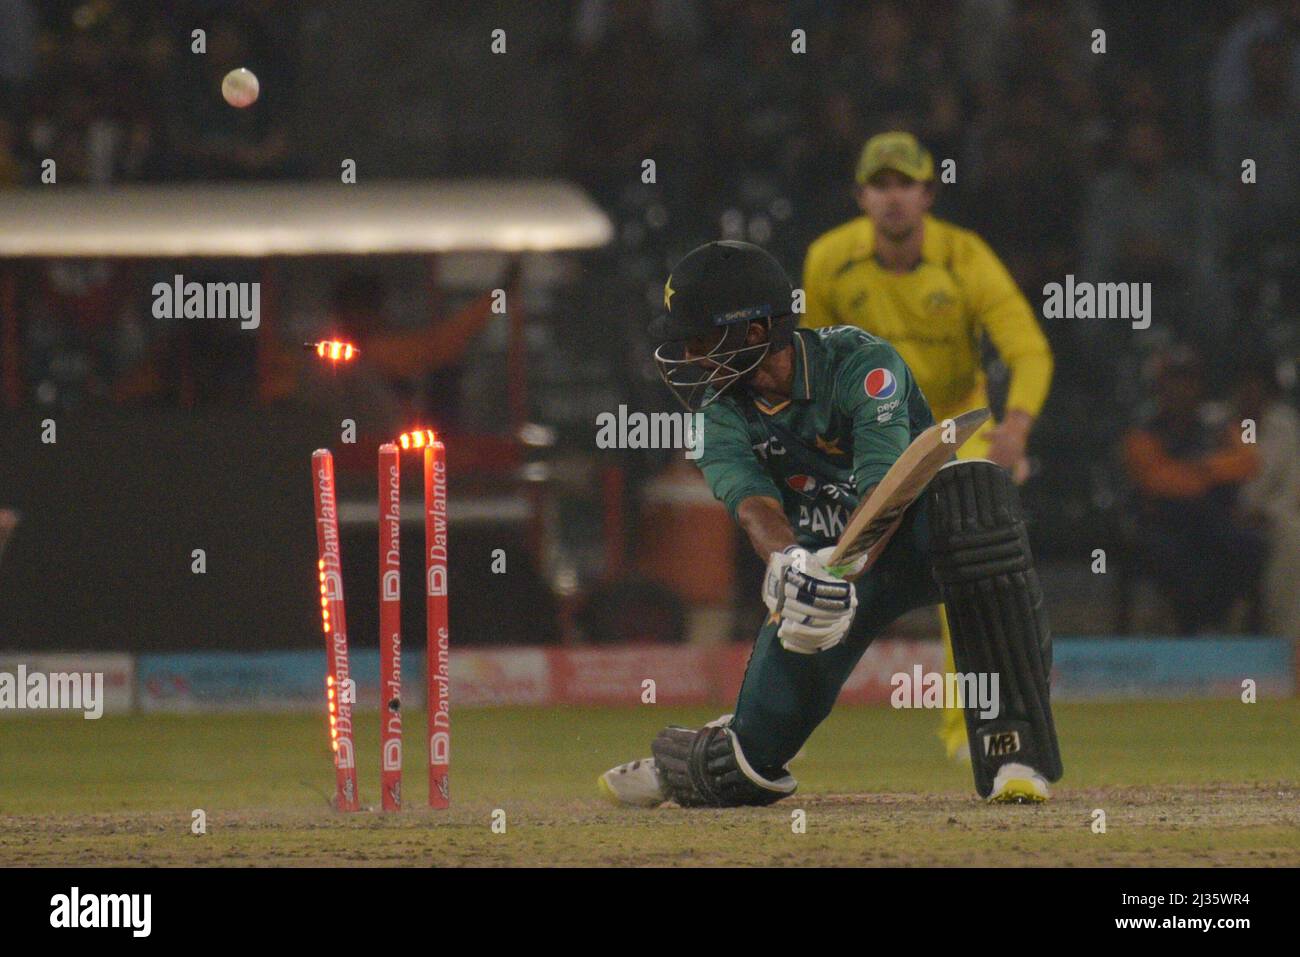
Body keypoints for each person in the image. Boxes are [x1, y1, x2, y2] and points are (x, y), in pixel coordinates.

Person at [598, 240, 1062, 807]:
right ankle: (694, 760)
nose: (691, 359)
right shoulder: (716, 415)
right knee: (742, 772)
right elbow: (753, 507)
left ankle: (1012, 752)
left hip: (918, 541)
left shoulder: (861, 364)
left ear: (753, 332)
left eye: (701, 341)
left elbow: (884, 489)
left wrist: (843, 566)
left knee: (976, 498)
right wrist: (793, 566)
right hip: (823, 562)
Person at [801, 132, 1054, 760]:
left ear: (927, 193)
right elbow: (812, 364)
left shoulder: (965, 257)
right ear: (861, 195)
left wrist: (1015, 428)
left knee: (972, 569)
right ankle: (778, 719)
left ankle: (973, 732)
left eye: (905, 185)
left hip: (954, 426)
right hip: (870, 433)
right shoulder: (828, 259)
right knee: (818, 568)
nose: (893, 199)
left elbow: (1028, 350)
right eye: (880, 185)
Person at [1122, 347, 1264, 633]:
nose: (1181, 389)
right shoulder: (1144, 429)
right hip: (1165, 527)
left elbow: (1248, 462)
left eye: (1188, 380)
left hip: (1214, 523)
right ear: (1160, 386)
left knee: (1251, 545)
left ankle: (1236, 631)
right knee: (1175, 558)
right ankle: (1188, 632)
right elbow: (1156, 479)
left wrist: (1202, 469)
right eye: (1173, 380)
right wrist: (1204, 474)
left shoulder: (1218, 425)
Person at [1235, 356, 1300, 639]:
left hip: (1275, 518)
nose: (1250, 392)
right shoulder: (1222, 423)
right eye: (1244, 385)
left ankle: (1287, 638)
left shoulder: (1284, 426)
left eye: (1256, 385)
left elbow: (1292, 484)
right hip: (1226, 516)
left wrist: (1265, 513)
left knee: (1292, 537)